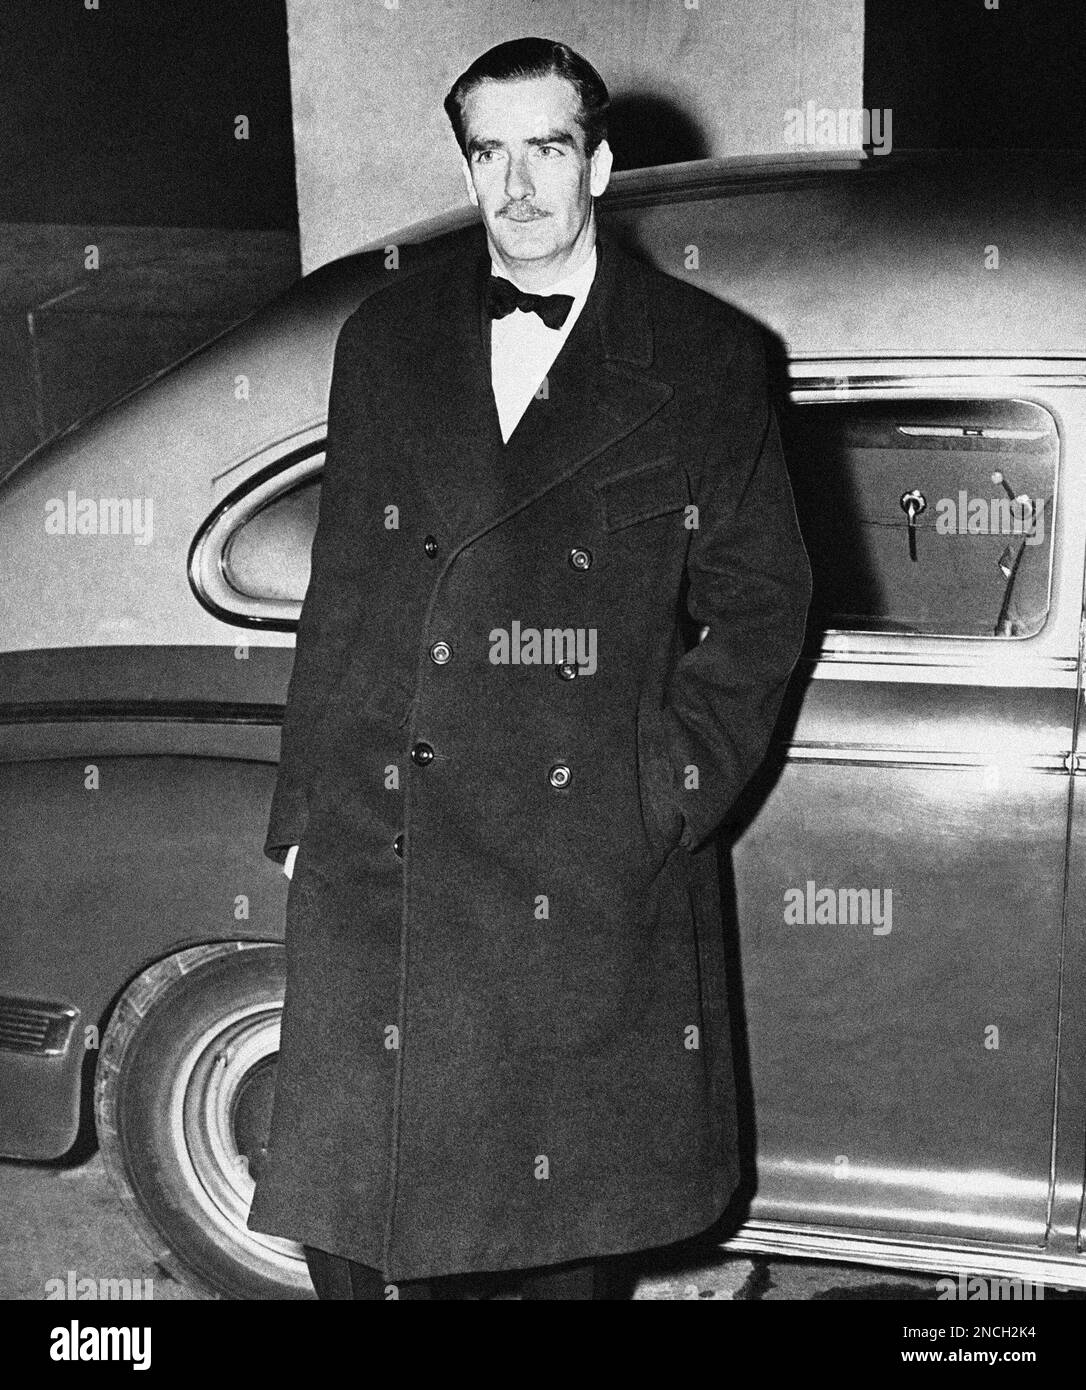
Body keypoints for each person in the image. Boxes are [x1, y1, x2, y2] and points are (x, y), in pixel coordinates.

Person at [247, 36, 812, 1300]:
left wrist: (661, 789)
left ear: (601, 165)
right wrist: (303, 811)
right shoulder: (387, 338)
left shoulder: (709, 361)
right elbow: (344, 591)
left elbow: (765, 605)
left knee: (568, 1240)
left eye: (545, 148)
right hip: (391, 845)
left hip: (585, 864)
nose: (515, 186)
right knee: (365, 1222)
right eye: (487, 153)